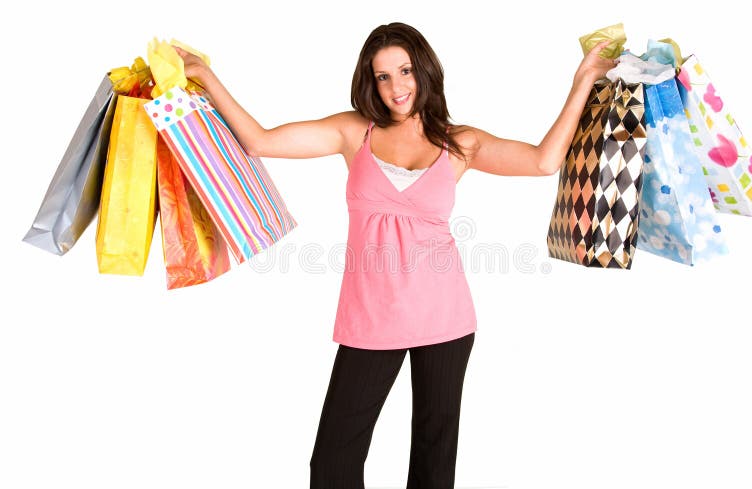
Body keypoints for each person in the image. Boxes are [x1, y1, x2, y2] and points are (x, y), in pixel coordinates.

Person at [176, 22, 615, 489]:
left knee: (434, 458)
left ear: (423, 70)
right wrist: (204, 75)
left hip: (445, 317)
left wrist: (583, 80)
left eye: (404, 71)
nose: (396, 86)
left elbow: (545, 161)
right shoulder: (353, 132)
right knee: (333, 462)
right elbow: (260, 141)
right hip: (371, 318)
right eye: (383, 76)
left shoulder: (460, 142)